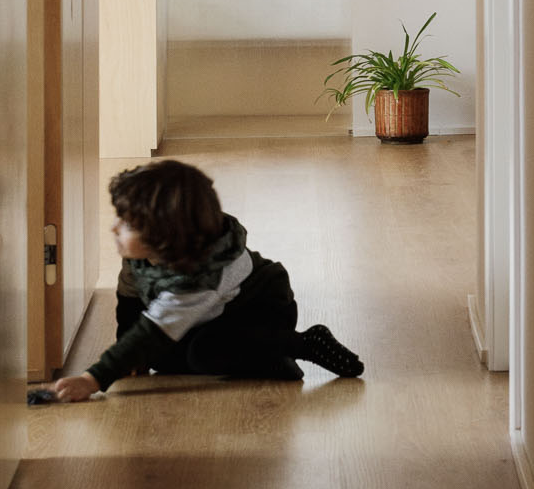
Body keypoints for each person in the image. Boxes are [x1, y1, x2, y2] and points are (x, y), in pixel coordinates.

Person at [29, 159, 363, 403]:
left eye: (127, 224)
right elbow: (130, 306)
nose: (114, 228)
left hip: (257, 312)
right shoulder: (141, 257)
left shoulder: (201, 278)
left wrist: (94, 378)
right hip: (207, 315)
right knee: (160, 359)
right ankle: (247, 354)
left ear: (165, 235)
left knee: (206, 355)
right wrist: (132, 361)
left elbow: (152, 330)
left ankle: (300, 345)